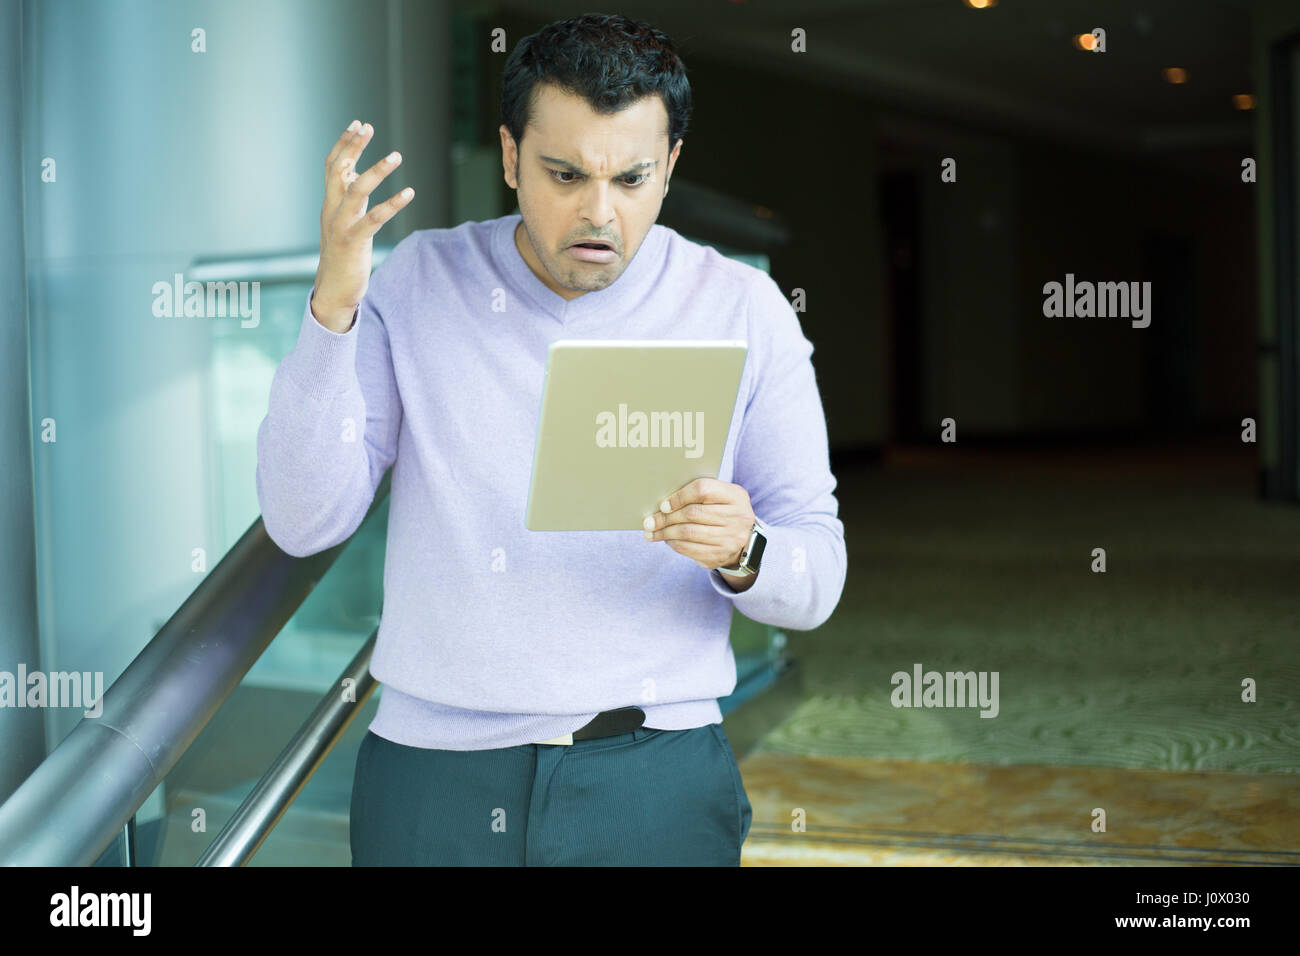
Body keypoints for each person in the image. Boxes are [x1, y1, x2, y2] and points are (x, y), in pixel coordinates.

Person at [255, 12, 846, 866]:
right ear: (508, 156)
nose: (597, 213)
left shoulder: (743, 308)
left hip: (657, 776)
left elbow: (815, 576)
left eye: (632, 178)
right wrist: (334, 307)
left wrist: (746, 551)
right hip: (435, 776)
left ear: (671, 165)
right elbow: (303, 521)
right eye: (563, 174)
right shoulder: (419, 281)